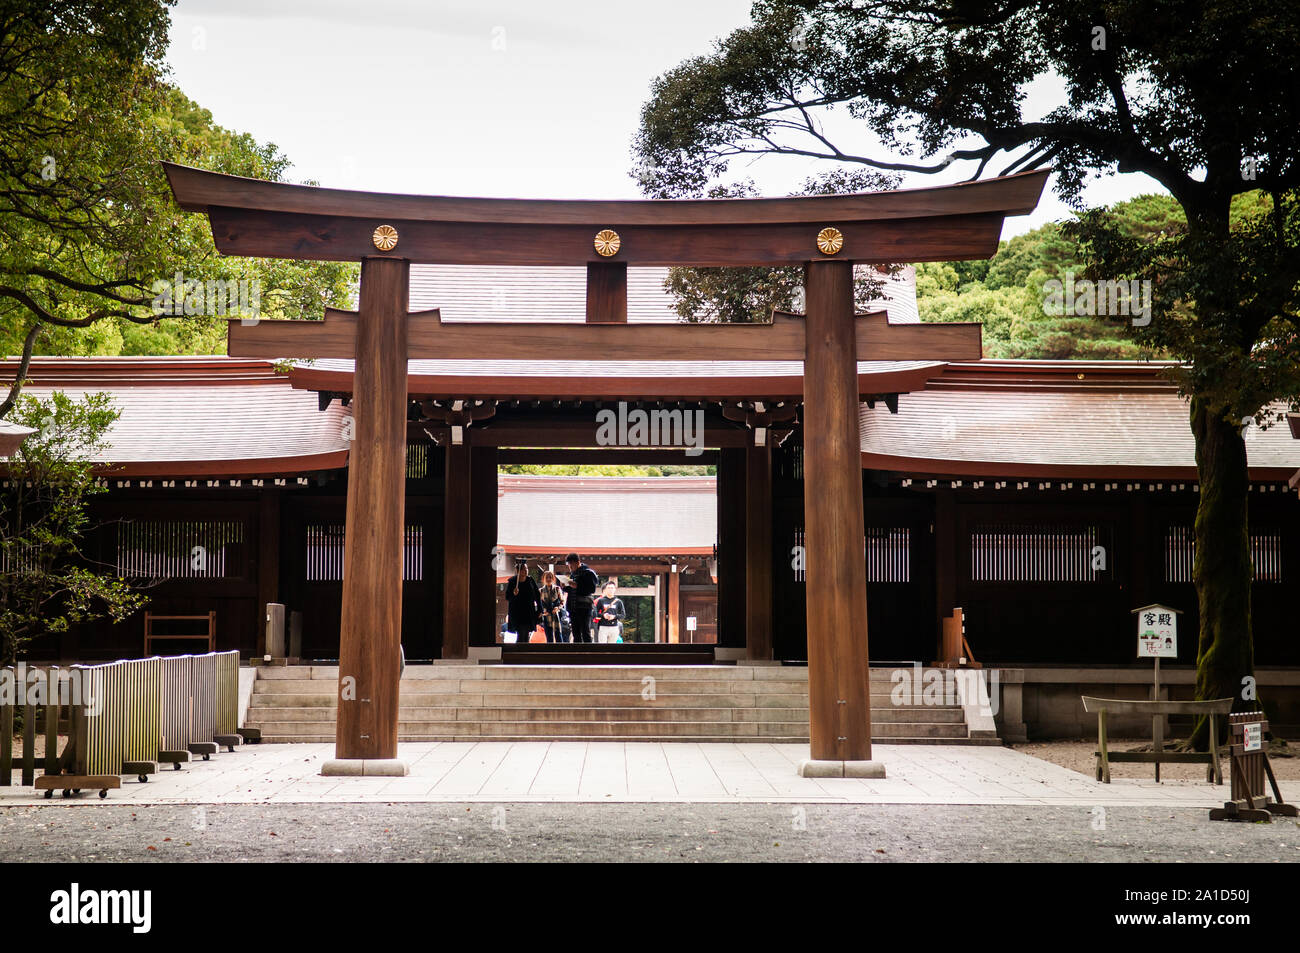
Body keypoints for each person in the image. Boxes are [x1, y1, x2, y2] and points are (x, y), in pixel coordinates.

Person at [561, 553, 599, 644]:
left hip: (584, 607)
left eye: (571, 564)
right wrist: (564, 586)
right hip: (573, 607)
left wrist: (577, 586)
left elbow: (592, 589)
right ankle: (576, 654)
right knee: (575, 632)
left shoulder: (589, 573)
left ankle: (588, 654)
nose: (570, 567)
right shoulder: (573, 574)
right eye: (568, 565)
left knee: (585, 631)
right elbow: (572, 590)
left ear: (578, 562)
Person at [504, 560, 540, 643]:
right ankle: (521, 650)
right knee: (521, 633)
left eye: (527, 569)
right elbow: (508, 597)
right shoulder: (513, 581)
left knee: (526, 633)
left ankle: (524, 651)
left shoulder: (530, 580)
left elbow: (537, 595)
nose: (526, 571)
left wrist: (539, 609)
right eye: (524, 569)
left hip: (529, 611)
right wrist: (514, 593)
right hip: (518, 612)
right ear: (518, 571)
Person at [539, 570, 567, 644]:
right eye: (547, 577)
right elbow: (538, 604)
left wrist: (558, 607)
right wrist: (543, 611)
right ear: (543, 579)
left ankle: (560, 652)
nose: (548, 579)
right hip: (546, 615)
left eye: (550, 577)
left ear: (553, 579)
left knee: (558, 635)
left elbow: (562, 601)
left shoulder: (557, 589)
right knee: (549, 636)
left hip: (556, 615)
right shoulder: (540, 591)